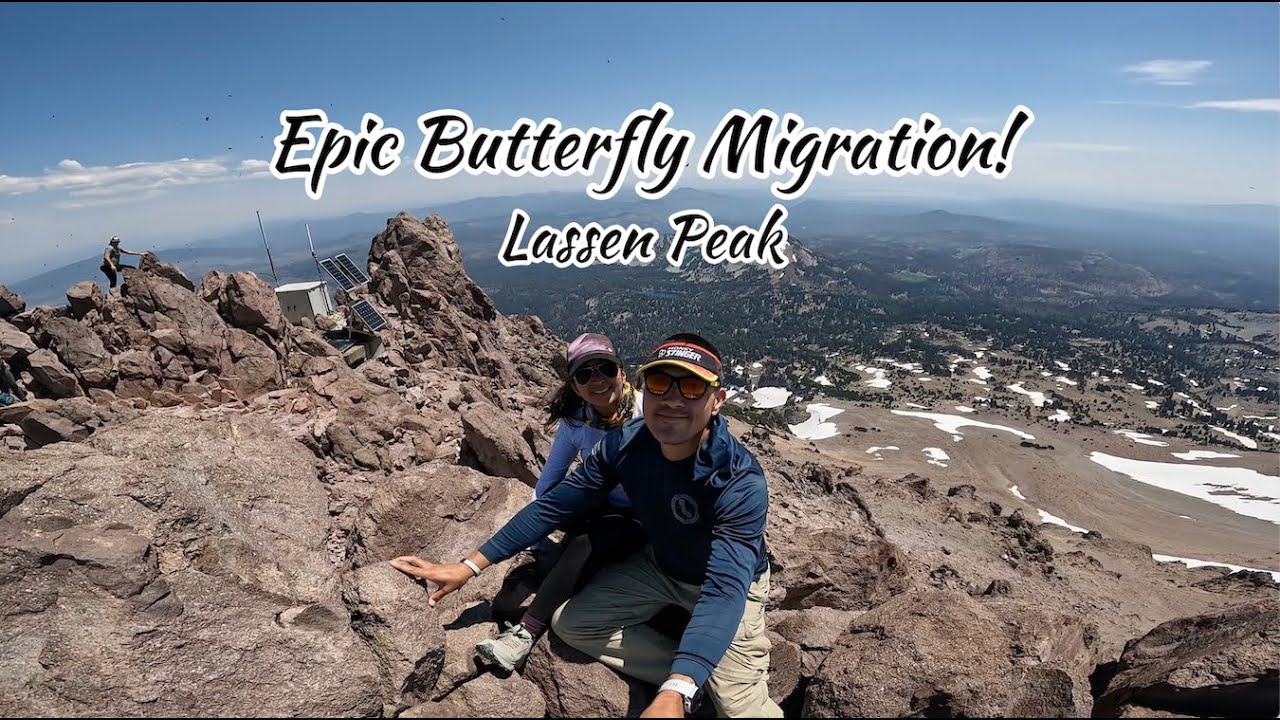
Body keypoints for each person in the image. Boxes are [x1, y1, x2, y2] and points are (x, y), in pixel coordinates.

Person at [391, 333, 782, 718]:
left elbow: (724, 588)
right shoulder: (625, 444)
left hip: (726, 586)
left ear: (717, 401)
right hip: (660, 568)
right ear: (645, 389)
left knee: (739, 708)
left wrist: (677, 689)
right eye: (661, 383)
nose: (674, 399)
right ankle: (695, 674)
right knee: (573, 625)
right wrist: (469, 566)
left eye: (693, 387)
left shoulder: (738, 480)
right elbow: (554, 505)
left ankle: (694, 681)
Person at [474, 332, 646, 672]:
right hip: (600, 500)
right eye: (585, 374)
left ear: (622, 372)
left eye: (605, 369)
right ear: (575, 385)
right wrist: (536, 539)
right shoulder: (576, 422)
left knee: (583, 543)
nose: (597, 380)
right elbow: (549, 482)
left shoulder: (647, 413)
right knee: (569, 518)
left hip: (642, 513)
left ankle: (525, 633)